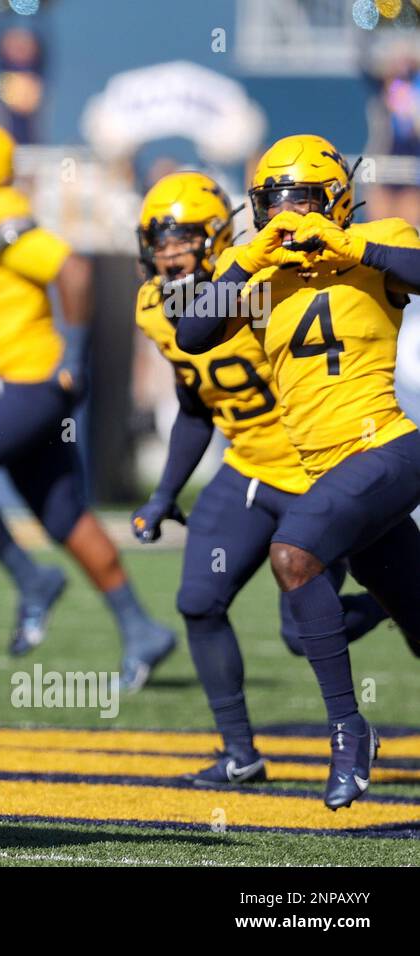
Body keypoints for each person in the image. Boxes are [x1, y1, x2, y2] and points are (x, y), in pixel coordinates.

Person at [176, 133, 420, 809]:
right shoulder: (255, 273)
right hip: (325, 474)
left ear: (336, 200)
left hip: (388, 449)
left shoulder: (378, 242)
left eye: (303, 199)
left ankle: (348, 732)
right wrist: (240, 262)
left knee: (294, 555)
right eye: (274, 203)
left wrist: (360, 250)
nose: (288, 215)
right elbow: (191, 335)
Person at [132, 171, 386, 784]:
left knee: (301, 635)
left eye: (183, 237)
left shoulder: (262, 289)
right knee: (198, 600)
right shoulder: (153, 308)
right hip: (246, 468)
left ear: (218, 236)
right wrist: (165, 493)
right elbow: (196, 407)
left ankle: (392, 601)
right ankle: (240, 754)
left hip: (312, 469)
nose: (168, 252)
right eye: (158, 240)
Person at [0, 117, 176, 690]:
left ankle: (30, 578)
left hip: (27, 382)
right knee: (65, 517)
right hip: (20, 384)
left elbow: (72, 269)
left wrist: (74, 357)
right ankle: (141, 629)